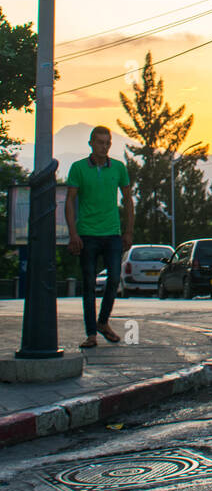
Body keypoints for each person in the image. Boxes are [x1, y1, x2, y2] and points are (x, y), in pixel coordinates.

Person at [65, 126, 134, 349]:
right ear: (91, 143)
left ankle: (103, 322)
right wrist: (73, 233)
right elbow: (69, 201)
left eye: (107, 143)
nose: (104, 146)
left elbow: (129, 201)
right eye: (100, 142)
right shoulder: (78, 168)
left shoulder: (119, 168)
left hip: (112, 234)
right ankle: (91, 333)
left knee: (114, 279)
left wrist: (128, 231)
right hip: (87, 234)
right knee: (88, 283)